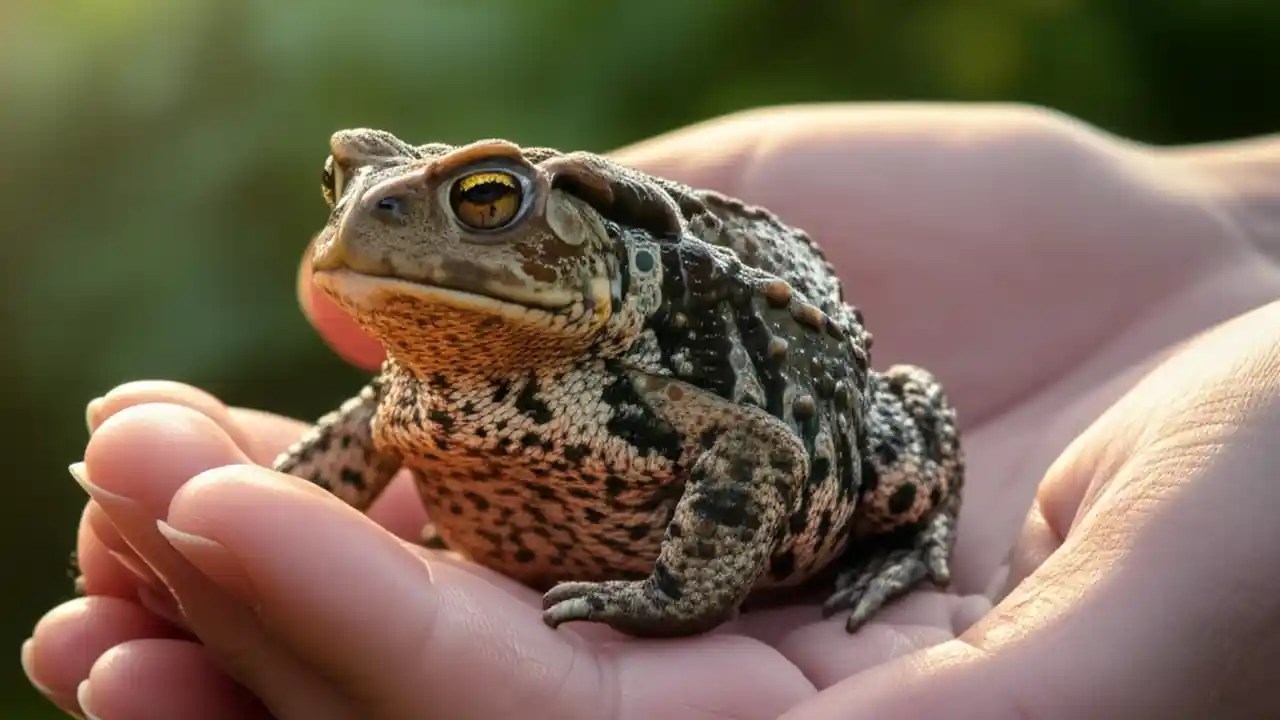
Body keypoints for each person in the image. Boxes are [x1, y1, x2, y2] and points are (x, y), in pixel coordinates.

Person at [21, 103, 1280, 719]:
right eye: (350, 190)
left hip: (805, 468)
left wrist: (680, 593)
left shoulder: (628, 363)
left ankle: (903, 543)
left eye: (480, 203)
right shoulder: (419, 383)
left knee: (897, 429)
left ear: (575, 239)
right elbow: (355, 446)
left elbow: (763, 439)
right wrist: (289, 501)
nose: (369, 221)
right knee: (238, 532)